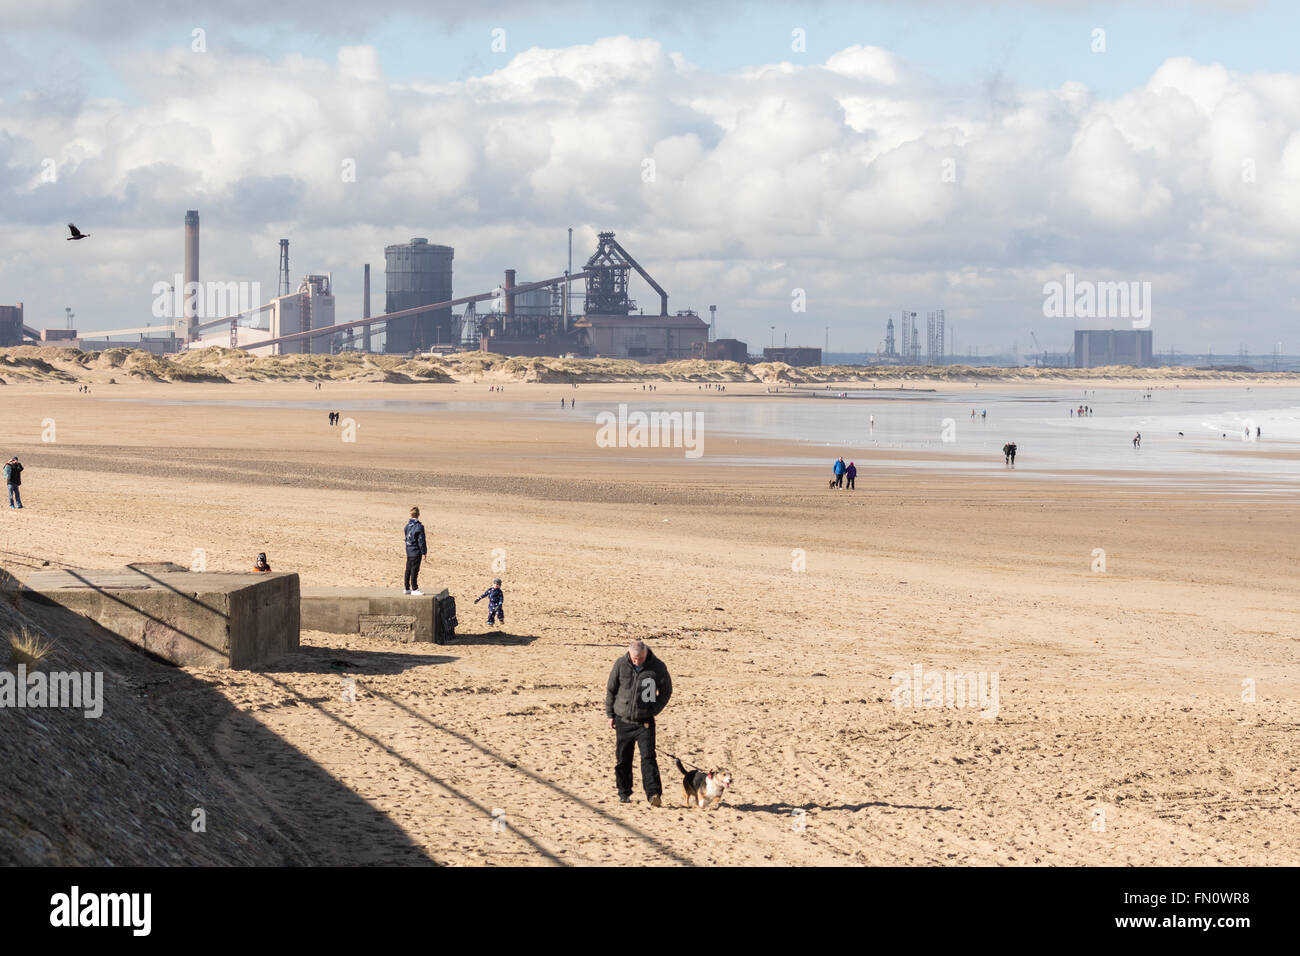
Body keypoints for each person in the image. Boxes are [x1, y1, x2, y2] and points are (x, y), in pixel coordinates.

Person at [605, 639, 672, 806]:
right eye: (634, 659)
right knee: (623, 758)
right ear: (629, 654)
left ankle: (653, 794)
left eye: (640, 659)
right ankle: (624, 792)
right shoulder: (621, 664)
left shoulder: (658, 667)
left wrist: (653, 709)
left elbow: (666, 691)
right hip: (623, 720)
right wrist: (610, 714)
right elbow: (611, 689)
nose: (636, 661)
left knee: (648, 758)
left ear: (646, 653)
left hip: (645, 722)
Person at [403, 506, 427, 595]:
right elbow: (421, 540)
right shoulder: (419, 526)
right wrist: (424, 552)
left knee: (408, 569)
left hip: (409, 550)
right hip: (415, 551)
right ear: (418, 515)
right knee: (414, 570)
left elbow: (406, 538)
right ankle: (414, 588)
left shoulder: (407, 526)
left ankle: (406, 587)